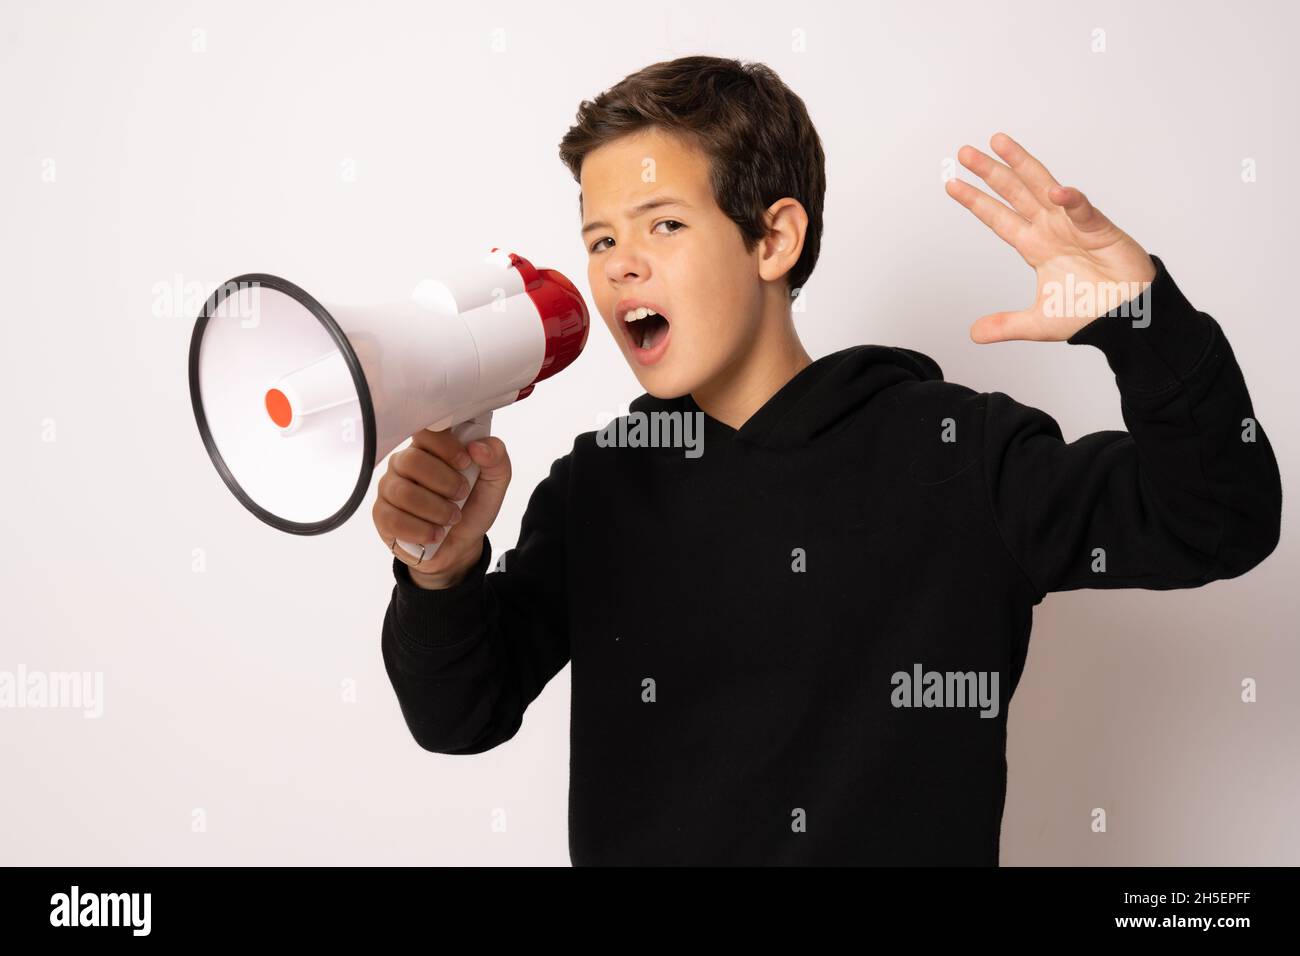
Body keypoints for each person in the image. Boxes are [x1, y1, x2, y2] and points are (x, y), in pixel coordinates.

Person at [372, 56, 1282, 865]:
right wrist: (440, 575)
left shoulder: (960, 456)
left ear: (774, 239)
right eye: (601, 239)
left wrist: (1143, 321)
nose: (619, 269)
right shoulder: (598, 487)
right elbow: (459, 717)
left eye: (662, 226)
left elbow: (1218, 518)